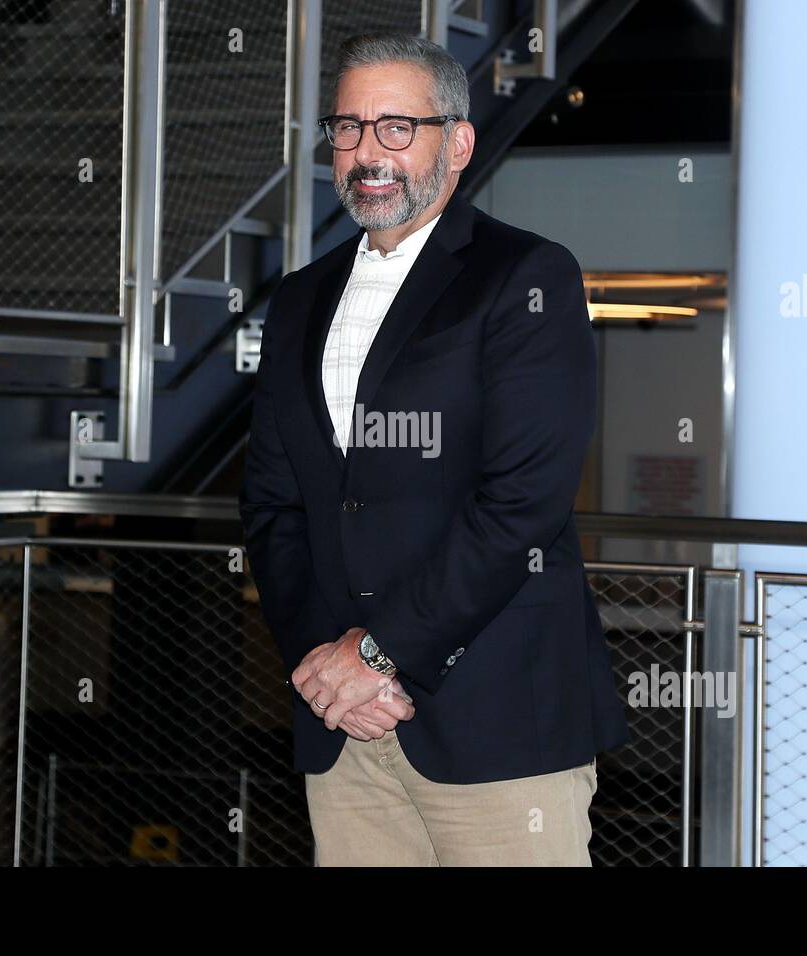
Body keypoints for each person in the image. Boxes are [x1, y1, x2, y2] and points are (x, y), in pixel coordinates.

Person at [239, 32, 630, 866]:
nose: (366, 152)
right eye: (347, 128)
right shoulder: (300, 299)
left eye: (395, 127)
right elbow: (274, 503)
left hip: (496, 719)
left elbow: (523, 502)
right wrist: (326, 669)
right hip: (344, 727)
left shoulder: (526, 276)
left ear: (456, 142)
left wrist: (379, 655)